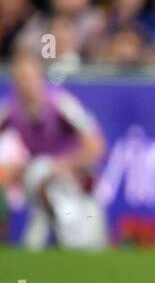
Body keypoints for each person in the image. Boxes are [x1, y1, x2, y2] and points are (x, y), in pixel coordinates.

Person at [0, 49, 107, 250]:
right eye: (19, 78)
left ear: (39, 76)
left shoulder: (60, 103)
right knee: (38, 169)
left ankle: (49, 229)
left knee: (88, 245)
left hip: (75, 178)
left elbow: (96, 144)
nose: (24, 84)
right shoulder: (11, 109)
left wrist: (66, 164)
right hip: (40, 178)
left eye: (28, 77)